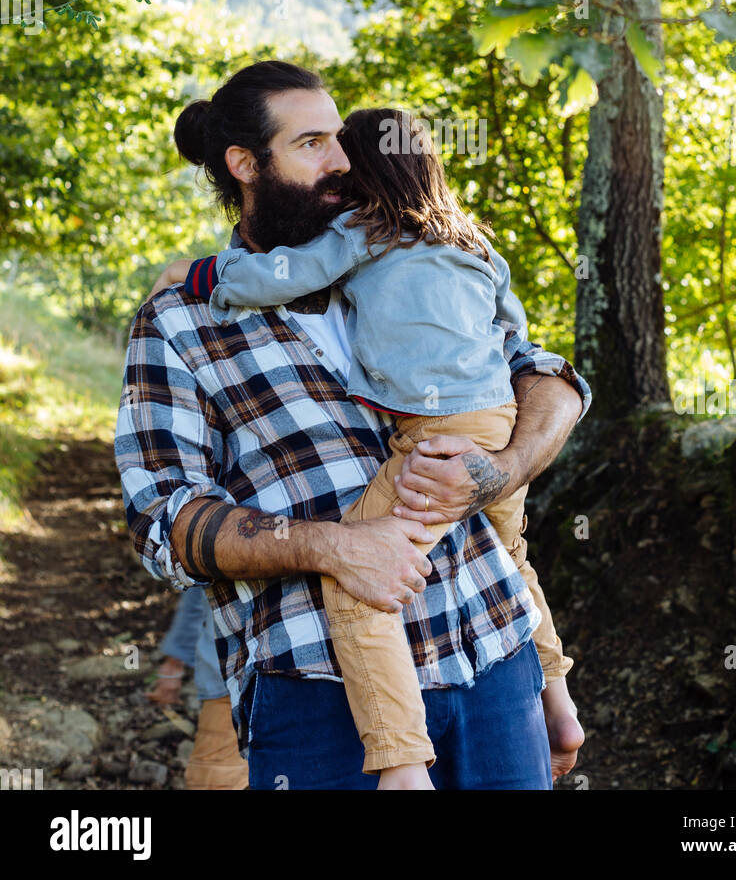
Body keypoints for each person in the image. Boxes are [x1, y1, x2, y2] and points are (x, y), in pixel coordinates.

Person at [116, 59, 590, 791]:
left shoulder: (403, 252)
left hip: (495, 661)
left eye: (340, 138)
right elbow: (162, 521)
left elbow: (549, 378)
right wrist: (333, 547)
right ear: (245, 164)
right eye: (311, 144)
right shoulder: (180, 320)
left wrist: (508, 466)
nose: (341, 160)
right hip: (319, 694)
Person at [148, 585, 248, 790]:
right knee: (214, 779)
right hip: (228, 683)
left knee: (214, 780)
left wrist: (174, 664)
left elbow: (194, 593)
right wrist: (174, 663)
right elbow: (194, 590)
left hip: (231, 680)